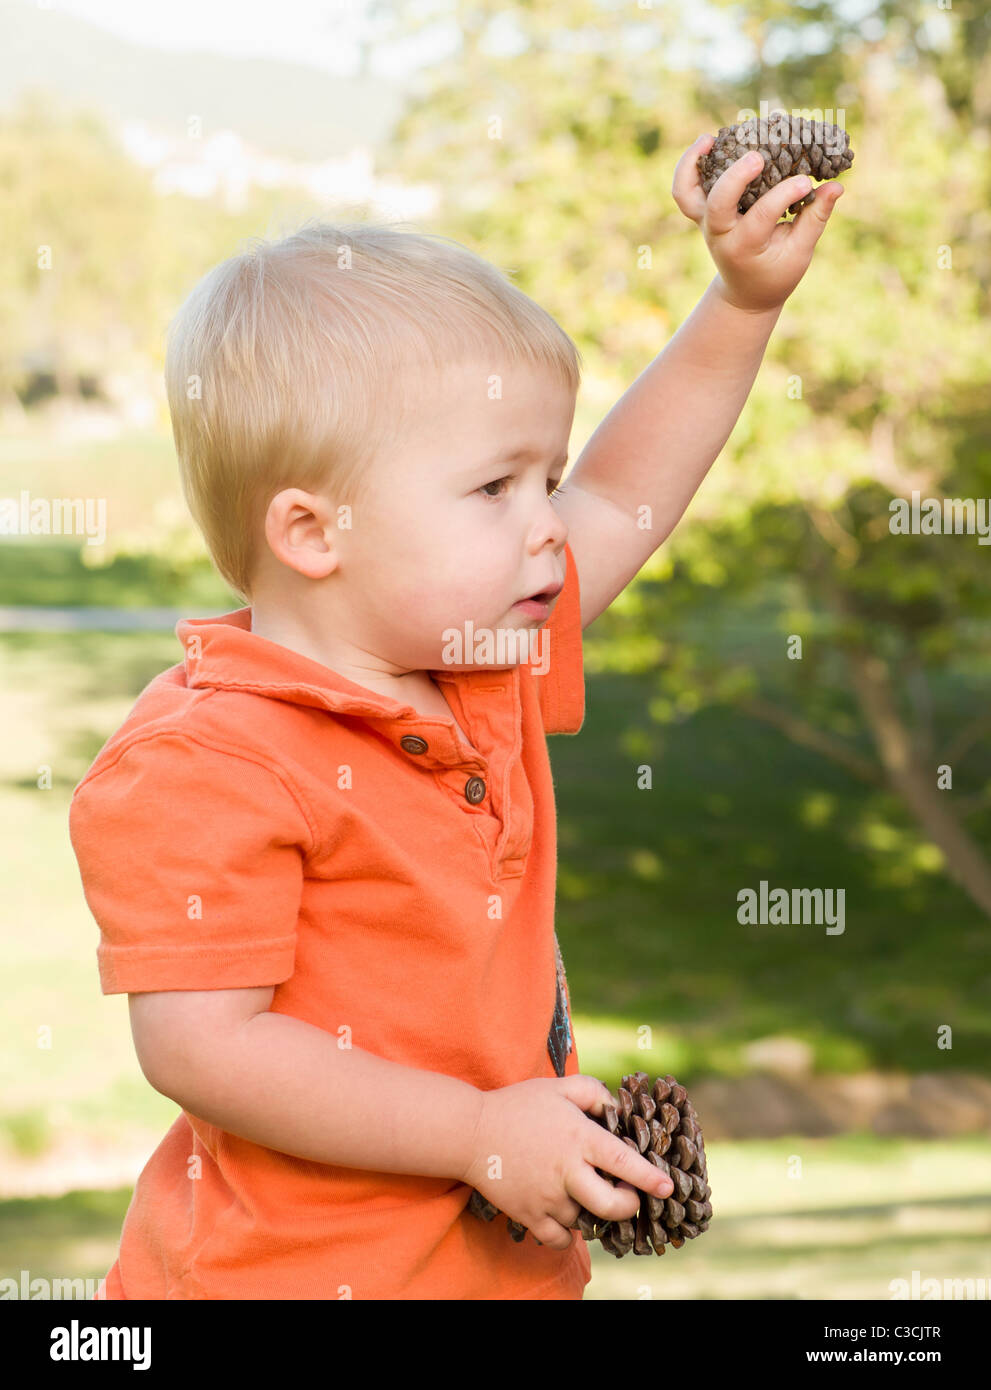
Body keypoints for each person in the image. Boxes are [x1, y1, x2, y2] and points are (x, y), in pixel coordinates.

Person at [68, 139, 844, 1299]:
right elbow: (203, 1047)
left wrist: (740, 302)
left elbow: (628, 493)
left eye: (548, 478)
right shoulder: (206, 756)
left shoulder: (484, 657)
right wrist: (477, 1129)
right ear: (312, 533)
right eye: (495, 489)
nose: (547, 525)